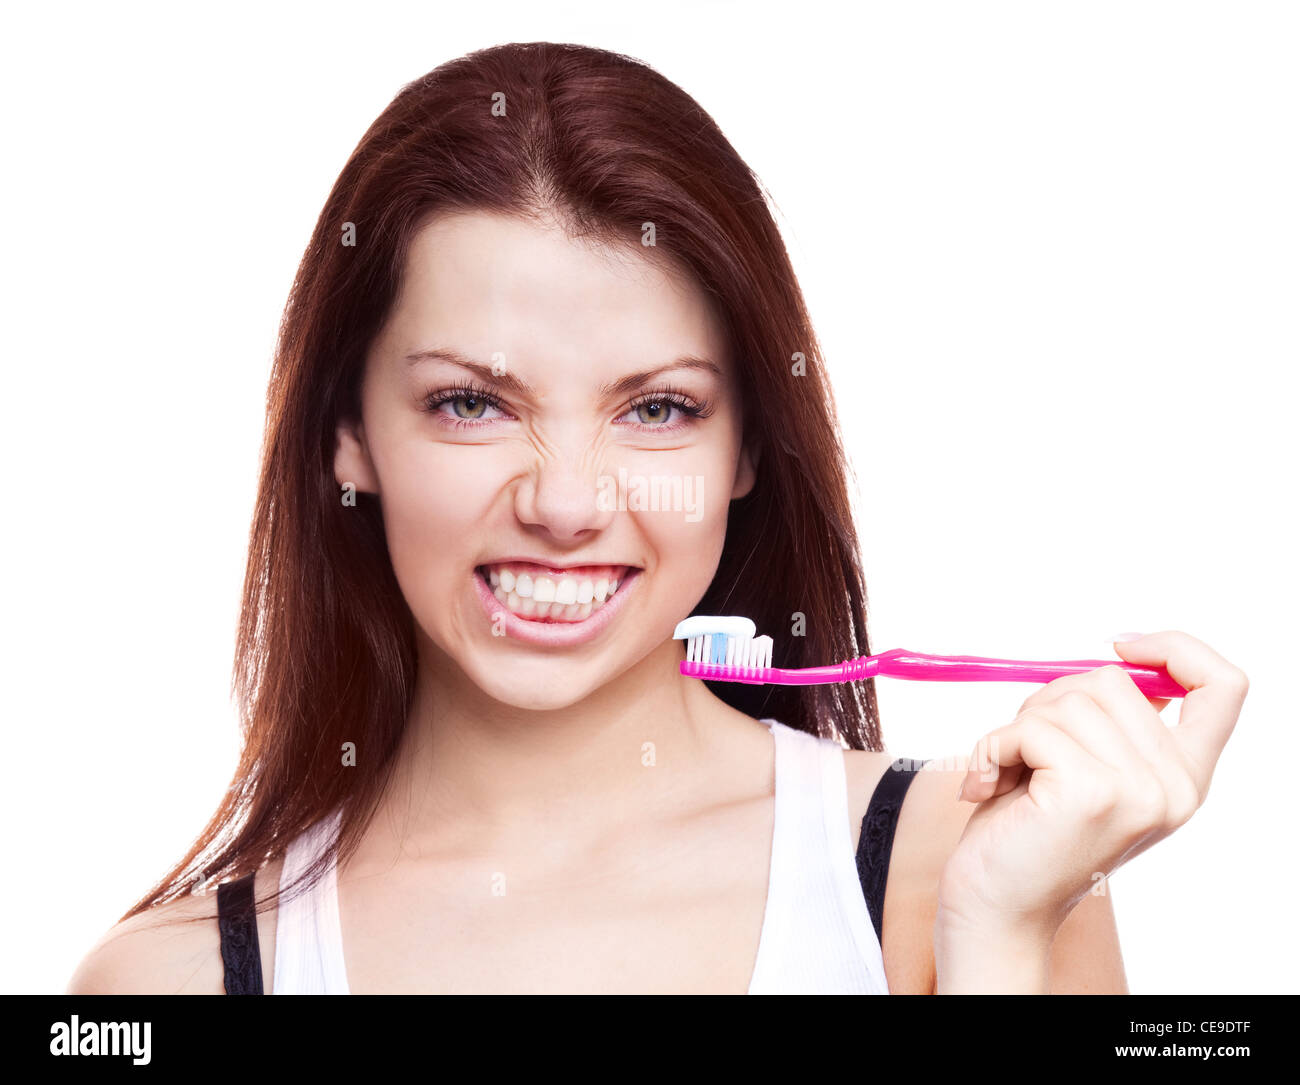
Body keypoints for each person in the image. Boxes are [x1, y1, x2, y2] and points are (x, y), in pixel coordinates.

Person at [67, 41, 1248, 995]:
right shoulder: (161, 984)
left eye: (658, 408)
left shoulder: (964, 870)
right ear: (348, 436)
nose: (567, 505)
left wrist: (995, 938)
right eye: (470, 402)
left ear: (746, 451)